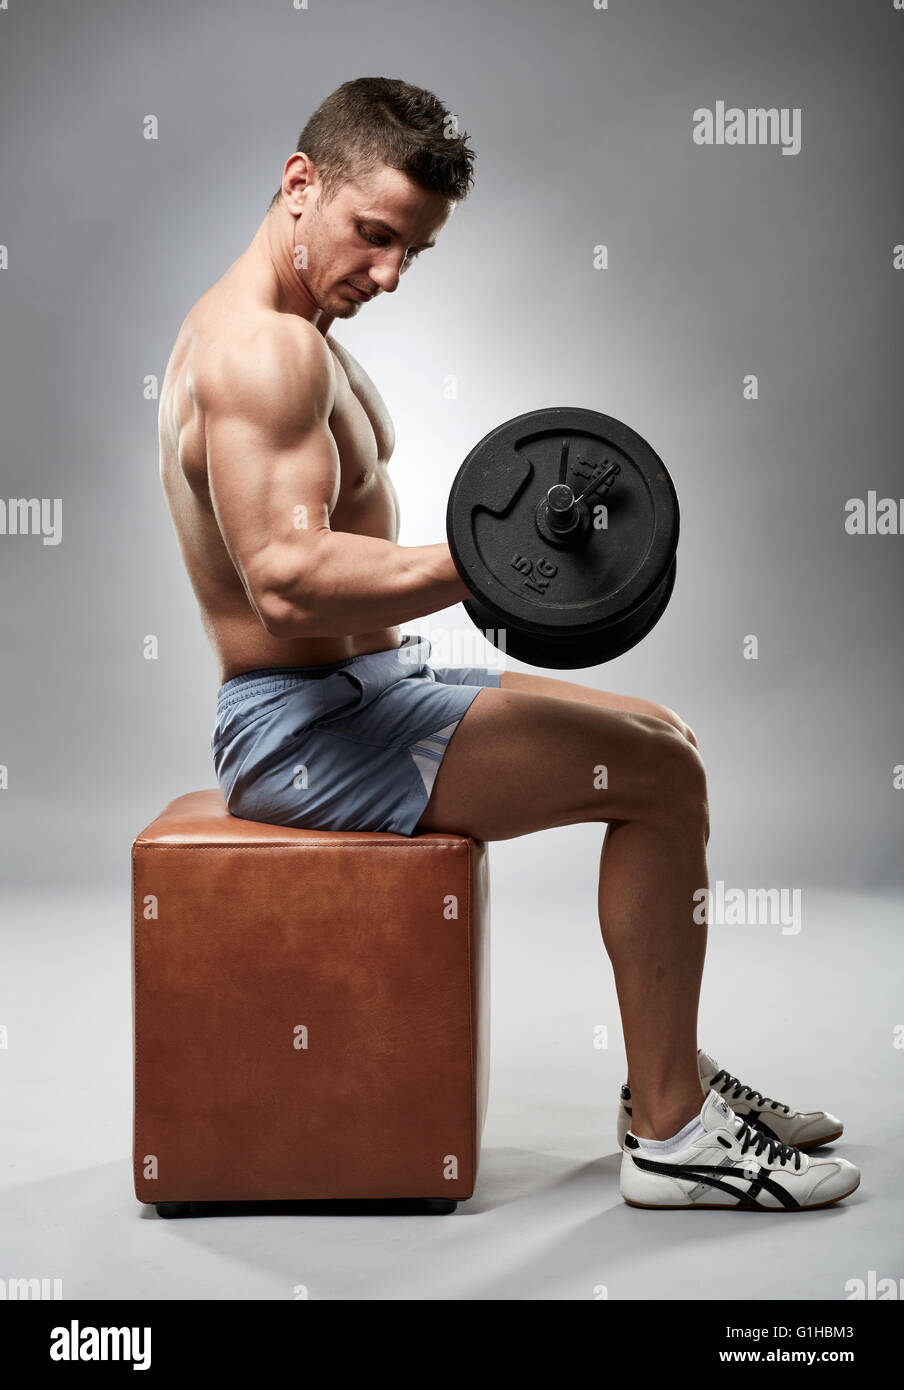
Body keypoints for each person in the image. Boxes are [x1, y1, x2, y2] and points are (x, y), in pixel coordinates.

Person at [157, 76, 859, 1211]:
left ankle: (663, 1078)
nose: (387, 274)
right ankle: (674, 1134)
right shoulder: (261, 354)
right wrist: (486, 559)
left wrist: (488, 567)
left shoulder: (300, 330)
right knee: (664, 778)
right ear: (300, 185)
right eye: (373, 234)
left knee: (659, 733)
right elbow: (285, 584)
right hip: (306, 733)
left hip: (364, 689)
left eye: (412, 254)